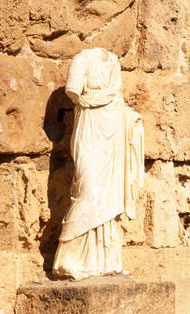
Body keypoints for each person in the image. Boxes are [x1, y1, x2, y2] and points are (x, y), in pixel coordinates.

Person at [53, 49, 144, 279]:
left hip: (112, 131)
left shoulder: (113, 61)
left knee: (110, 195)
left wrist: (132, 120)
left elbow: (118, 100)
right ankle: (67, 260)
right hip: (89, 127)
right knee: (89, 191)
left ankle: (105, 261)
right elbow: (73, 90)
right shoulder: (82, 59)